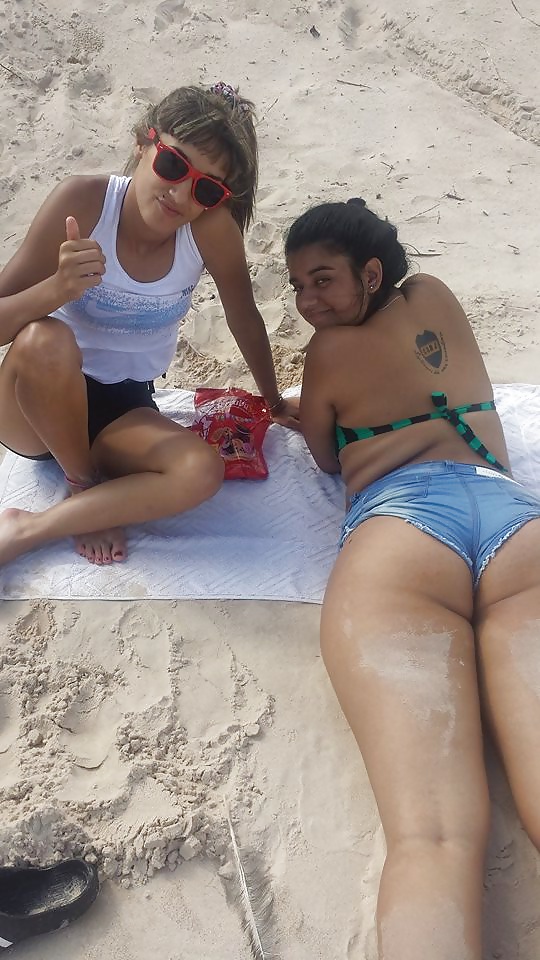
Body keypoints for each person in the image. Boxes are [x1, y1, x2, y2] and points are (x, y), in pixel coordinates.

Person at [285, 197, 540, 960]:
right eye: (297, 286)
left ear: (369, 273)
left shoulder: (328, 352)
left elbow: (325, 455)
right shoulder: (435, 295)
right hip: (513, 520)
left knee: (431, 836)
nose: (307, 303)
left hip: (403, 535)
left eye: (322, 281)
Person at [0, 82, 298, 567]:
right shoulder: (85, 201)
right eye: (174, 165)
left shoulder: (209, 231)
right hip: (34, 403)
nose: (180, 193)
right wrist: (56, 289)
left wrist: (275, 400)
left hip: (122, 407)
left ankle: (30, 527)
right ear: (144, 142)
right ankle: (83, 488)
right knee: (45, 338)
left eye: (206, 188)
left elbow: (243, 315)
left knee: (200, 470)